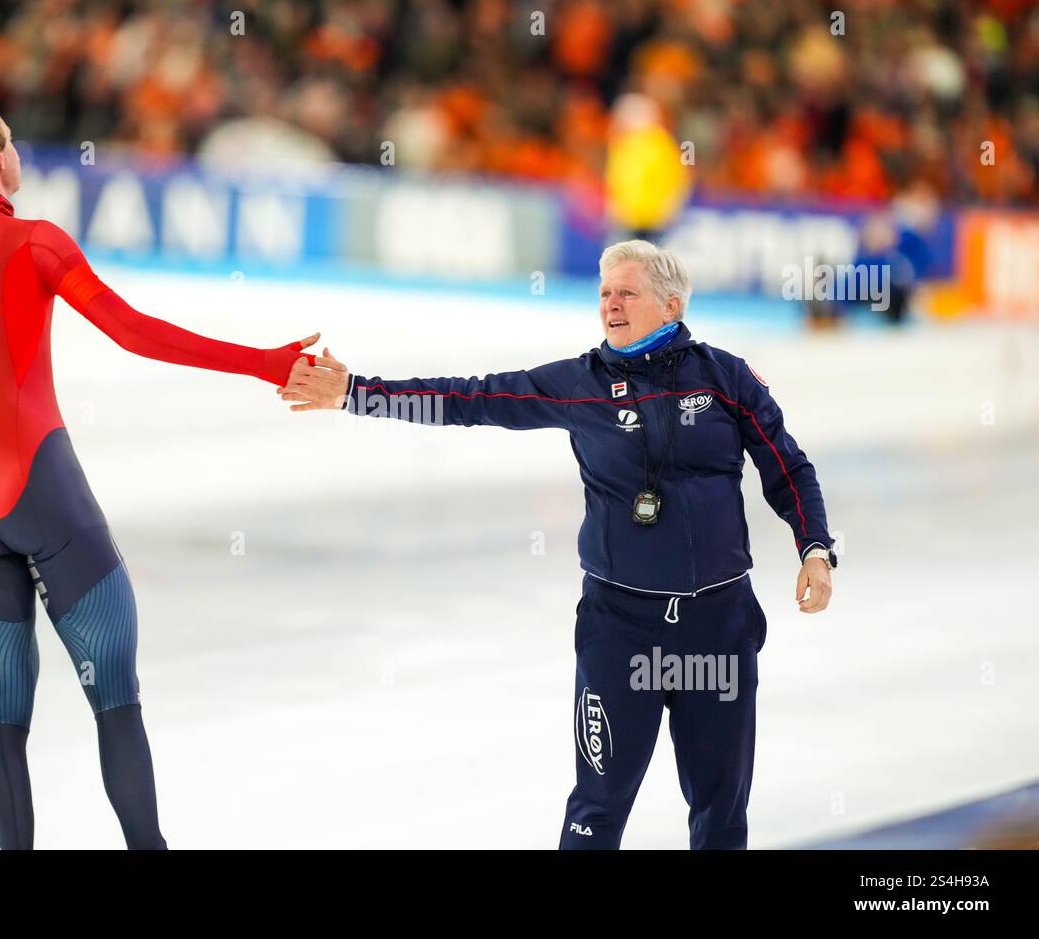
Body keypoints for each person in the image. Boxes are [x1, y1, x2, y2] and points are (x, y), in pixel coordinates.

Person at [0, 92, 322, 850]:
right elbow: (134, 332)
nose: (17, 151)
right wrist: (265, 363)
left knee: (2, 718)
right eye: (10, 140)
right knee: (114, 702)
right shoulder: (35, 243)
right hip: (44, 493)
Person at [281, 239, 838, 850]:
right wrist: (355, 392)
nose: (610, 305)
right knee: (595, 811)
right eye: (604, 293)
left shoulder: (725, 376)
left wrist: (815, 548)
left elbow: (787, 466)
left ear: (671, 304)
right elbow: (470, 398)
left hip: (717, 626)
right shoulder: (580, 384)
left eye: (626, 292)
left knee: (721, 811)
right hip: (621, 630)